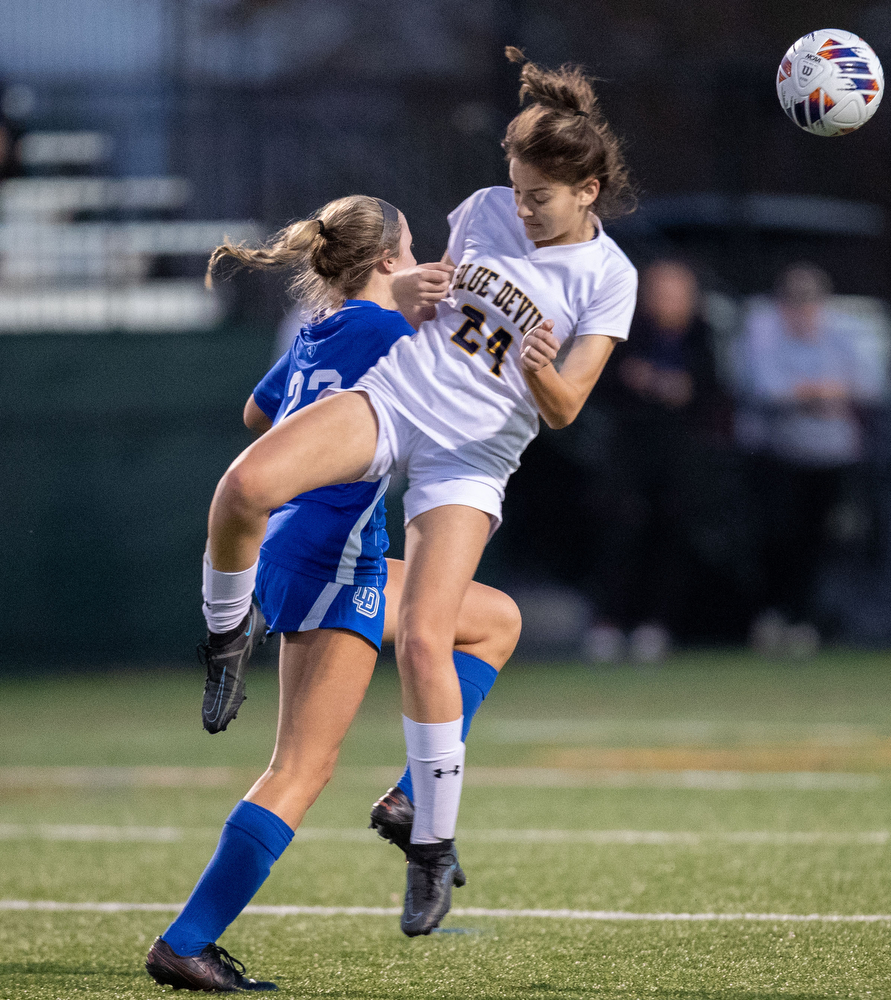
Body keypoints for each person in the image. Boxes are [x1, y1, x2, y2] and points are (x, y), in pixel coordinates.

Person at [196, 46, 638, 937]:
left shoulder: (609, 278)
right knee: (246, 485)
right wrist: (417, 285)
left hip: (472, 457)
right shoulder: (483, 210)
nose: (521, 207)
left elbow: (563, 409)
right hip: (401, 400)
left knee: (432, 638)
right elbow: (426, 293)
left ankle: (428, 845)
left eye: (540, 197)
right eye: (516, 190)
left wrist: (540, 365)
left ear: (587, 188)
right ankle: (224, 631)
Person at [145, 194, 521, 991]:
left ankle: (412, 798)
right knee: (301, 770)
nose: (421, 258)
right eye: (413, 246)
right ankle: (186, 942)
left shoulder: (320, 330)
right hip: (333, 563)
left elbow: (259, 413)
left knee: (492, 621)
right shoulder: (387, 330)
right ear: (387, 260)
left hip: (303, 546)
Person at [733, 262, 890, 654]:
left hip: (831, 458)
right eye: (793, 302)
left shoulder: (840, 334)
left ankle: (803, 619)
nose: (802, 310)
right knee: (777, 538)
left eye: (809, 302)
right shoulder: (764, 333)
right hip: (780, 455)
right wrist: (819, 394)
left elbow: (870, 386)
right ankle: (771, 614)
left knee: (820, 542)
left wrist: (809, 393)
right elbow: (766, 389)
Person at [585, 259, 724, 660]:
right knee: (619, 533)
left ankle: (656, 626)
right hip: (629, 451)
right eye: (661, 292)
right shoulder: (626, 333)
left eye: (677, 293)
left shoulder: (703, 334)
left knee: (670, 535)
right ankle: (608, 623)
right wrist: (640, 380)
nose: (668, 301)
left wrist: (682, 389)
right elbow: (600, 384)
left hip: (680, 455)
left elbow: (712, 389)